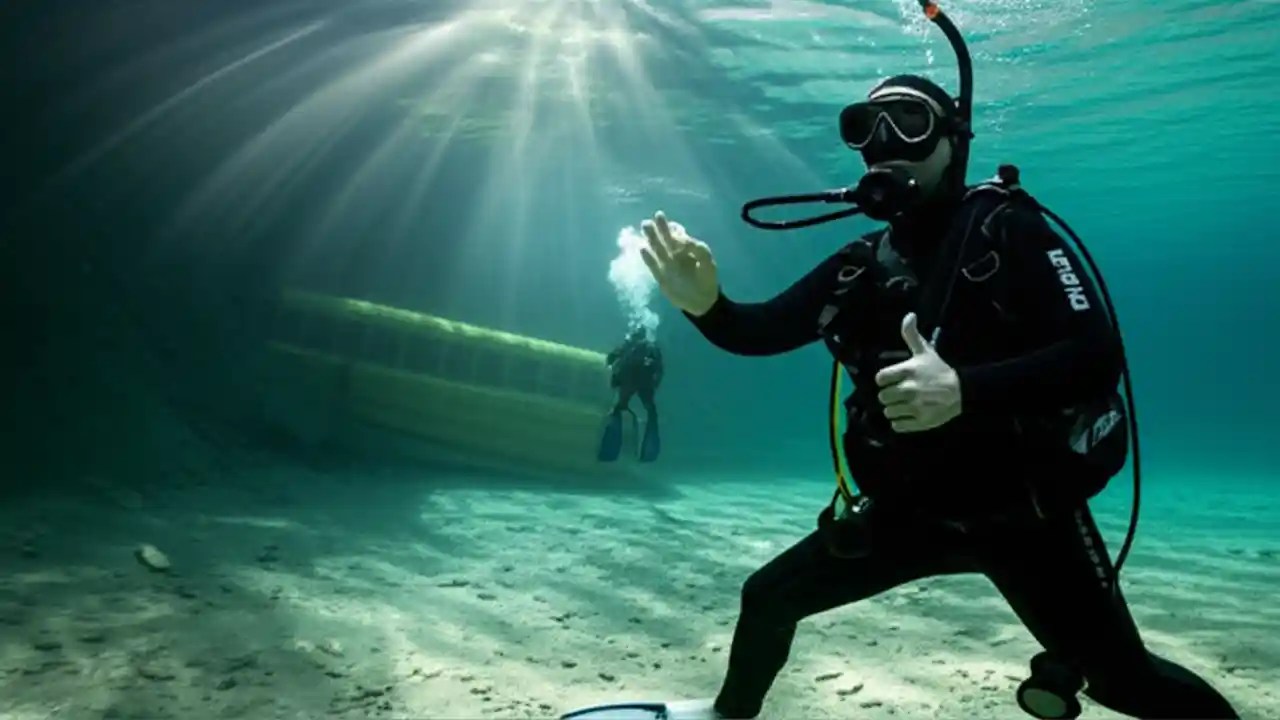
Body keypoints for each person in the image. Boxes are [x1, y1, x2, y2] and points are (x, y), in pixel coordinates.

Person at [628, 72, 1240, 719]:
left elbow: (1096, 354)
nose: (886, 145)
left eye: (911, 125)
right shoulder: (861, 264)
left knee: (1123, 683)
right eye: (866, 130)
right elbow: (757, 332)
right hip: (908, 514)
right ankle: (728, 714)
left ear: (954, 141)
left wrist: (964, 389)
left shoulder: (1011, 232)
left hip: (1024, 517)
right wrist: (707, 307)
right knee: (768, 598)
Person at [597, 326, 663, 463]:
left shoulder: (629, 345)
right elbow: (659, 368)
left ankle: (608, 452)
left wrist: (613, 377)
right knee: (651, 413)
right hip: (644, 382)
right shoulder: (651, 348)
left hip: (628, 380)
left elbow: (611, 358)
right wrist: (654, 383)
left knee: (617, 410)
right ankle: (648, 452)